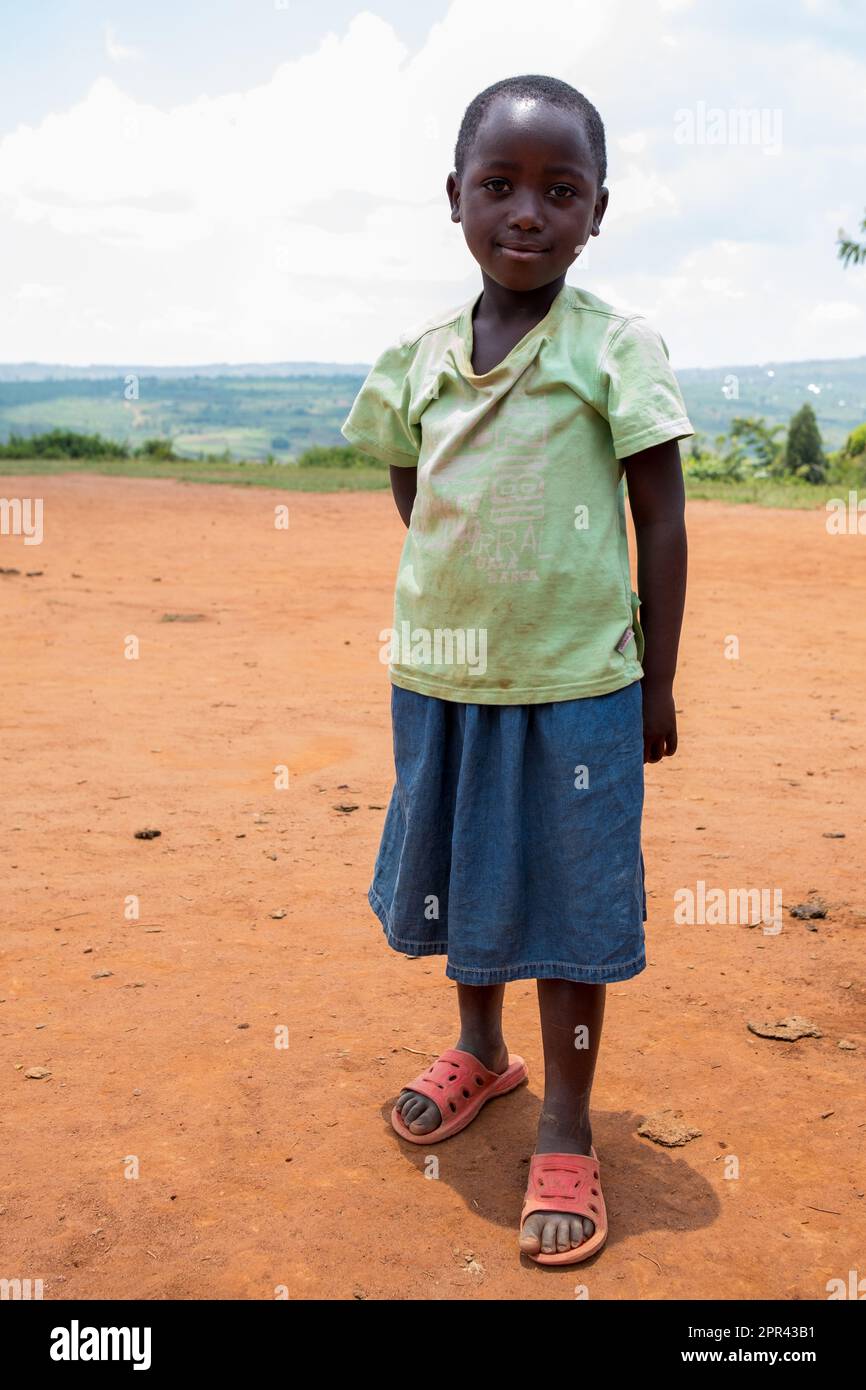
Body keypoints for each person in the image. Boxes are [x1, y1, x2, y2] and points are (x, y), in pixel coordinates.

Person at [341, 73, 693, 1266]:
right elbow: (414, 485)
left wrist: (654, 680)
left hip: (578, 692)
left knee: (569, 910)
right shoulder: (418, 356)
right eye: (499, 186)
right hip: (444, 681)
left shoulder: (614, 347)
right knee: (460, 886)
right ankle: (482, 1054)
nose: (527, 212)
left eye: (559, 190)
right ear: (455, 198)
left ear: (597, 210)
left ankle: (566, 1120)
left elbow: (662, 516)